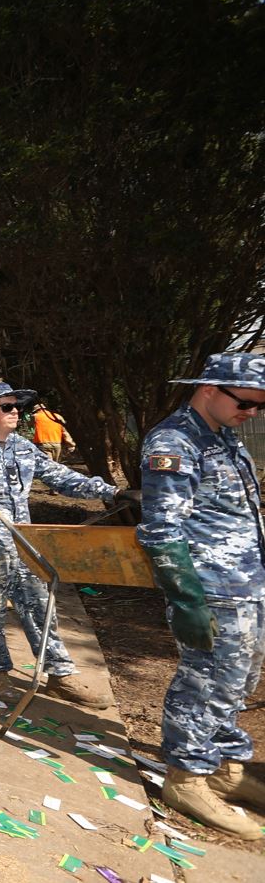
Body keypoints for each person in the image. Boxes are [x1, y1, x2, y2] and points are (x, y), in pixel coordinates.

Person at [137, 352, 265, 839]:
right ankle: (186, 778)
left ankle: (225, 768)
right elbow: (161, 530)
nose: (251, 413)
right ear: (209, 389)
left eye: (260, 407)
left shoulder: (223, 435)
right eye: (246, 403)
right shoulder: (174, 442)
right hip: (211, 589)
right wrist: (187, 599)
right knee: (207, 681)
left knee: (241, 679)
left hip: (246, 584)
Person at [0, 382, 123, 710]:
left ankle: (59, 676)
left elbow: (62, 478)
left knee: (40, 605)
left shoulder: (24, 447)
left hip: (24, 541)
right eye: (6, 407)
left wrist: (113, 492)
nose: (15, 412)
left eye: (17, 407)